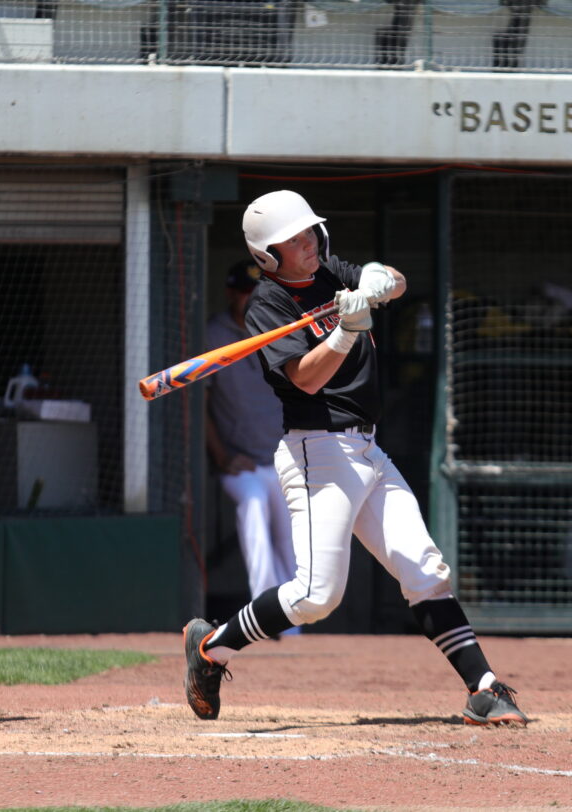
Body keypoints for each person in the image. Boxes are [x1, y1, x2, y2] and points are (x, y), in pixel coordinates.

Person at [182, 190, 529, 727]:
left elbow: (394, 279)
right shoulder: (268, 306)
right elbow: (305, 378)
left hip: (367, 447)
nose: (306, 244)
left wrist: (375, 280)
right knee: (317, 596)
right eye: (292, 241)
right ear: (268, 256)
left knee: (425, 569)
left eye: (308, 233)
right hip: (317, 450)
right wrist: (346, 330)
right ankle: (211, 649)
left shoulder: (327, 271)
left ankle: (483, 687)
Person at [205, 260, 297, 604]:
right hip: (241, 464)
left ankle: (291, 629)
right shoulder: (213, 335)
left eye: (257, 294)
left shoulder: (279, 332)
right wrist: (222, 456)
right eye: (246, 293)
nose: (252, 301)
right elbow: (200, 404)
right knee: (254, 508)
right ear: (231, 294)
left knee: (291, 540)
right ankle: (266, 607)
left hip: (284, 459)